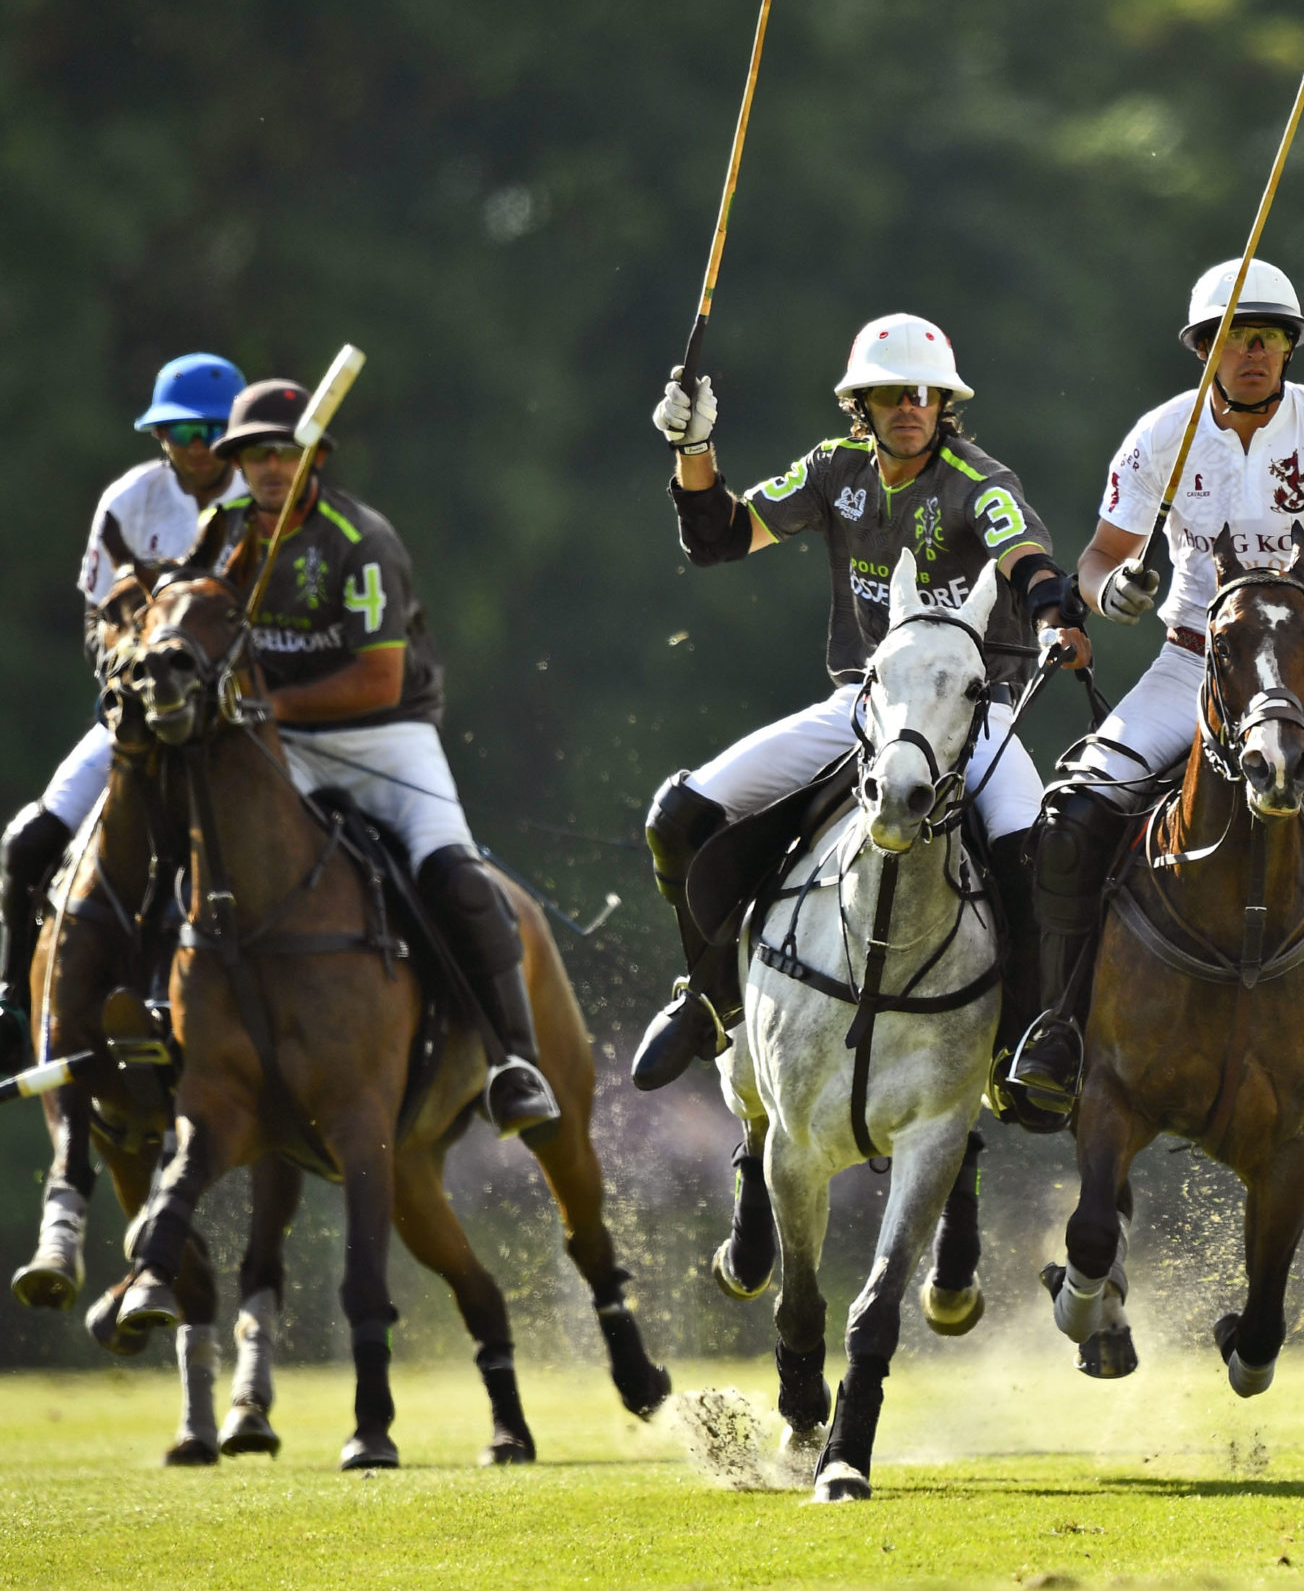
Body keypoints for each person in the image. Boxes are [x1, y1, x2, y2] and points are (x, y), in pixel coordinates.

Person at [1004, 258, 1304, 1115]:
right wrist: (1111, 591)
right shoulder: (1161, 435)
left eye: (1271, 339)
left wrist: (1302, 645)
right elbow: (1102, 556)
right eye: (1236, 339)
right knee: (1074, 813)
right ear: (1205, 349)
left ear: (1289, 349)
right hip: (1188, 667)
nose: (1255, 353)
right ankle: (1057, 1021)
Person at [630, 314, 1090, 1093]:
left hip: (973, 713)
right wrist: (692, 452)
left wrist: (1055, 618)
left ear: (945, 405)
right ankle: (711, 994)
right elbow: (719, 536)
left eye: (923, 394)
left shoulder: (979, 481)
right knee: (678, 817)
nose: (909, 407)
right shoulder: (833, 470)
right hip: (866, 705)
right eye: (889, 395)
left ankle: (1025, 1048)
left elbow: (1028, 561)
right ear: (862, 406)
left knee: (1030, 849)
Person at [202, 379, 559, 1137]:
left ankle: (512, 1060)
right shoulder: (220, 532)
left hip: (383, 734)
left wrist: (269, 704)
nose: (271, 467)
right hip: (278, 745)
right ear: (236, 463)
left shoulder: (359, 537)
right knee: (203, 848)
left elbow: (377, 676)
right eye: (256, 454)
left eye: (286, 452)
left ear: (316, 457)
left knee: (456, 876)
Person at [0, 354, 247, 1073]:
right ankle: (14, 1003)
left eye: (210, 430)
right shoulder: (129, 502)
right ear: (158, 435)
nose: (197, 446)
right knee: (26, 843)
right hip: (141, 721)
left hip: (238, 725)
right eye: (180, 430)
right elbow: (96, 623)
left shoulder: (263, 502)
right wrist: (138, 682)